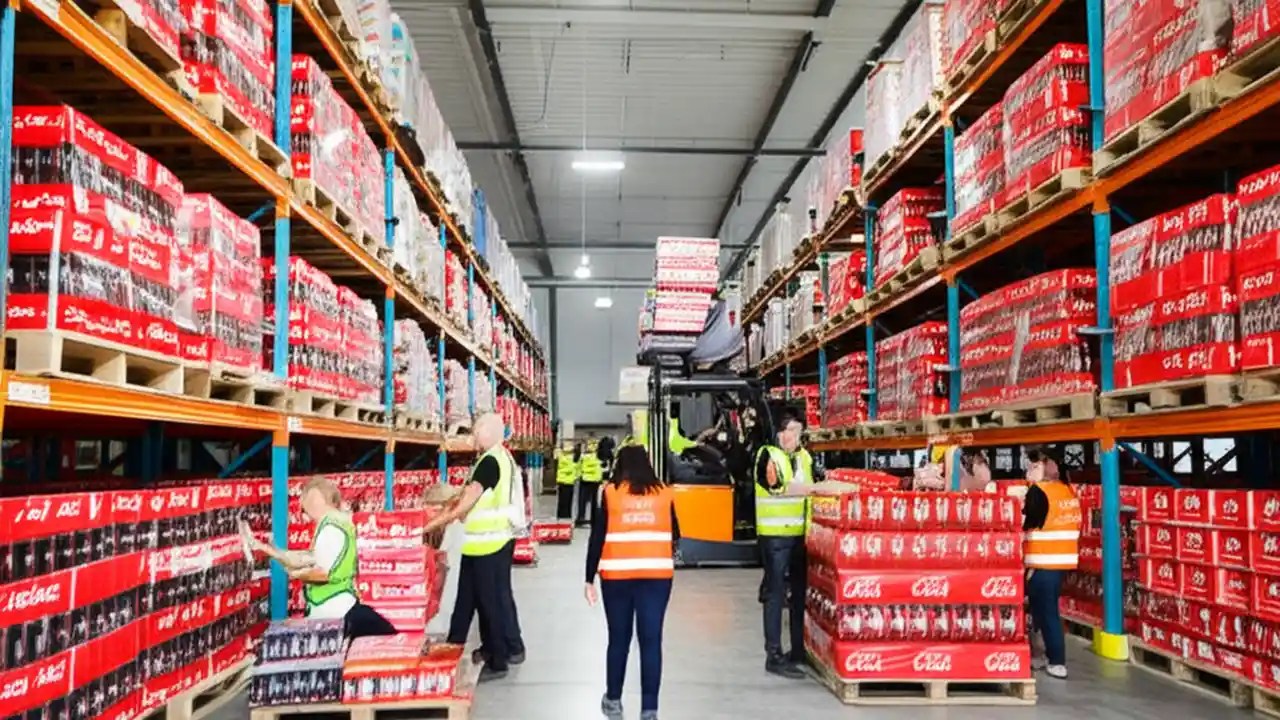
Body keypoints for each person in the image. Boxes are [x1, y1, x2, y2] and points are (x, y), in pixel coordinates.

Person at [423, 413, 525, 682]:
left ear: (490, 431)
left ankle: (498, 660)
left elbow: (469, 500)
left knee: (489, 603)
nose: (474, 434)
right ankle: (456, 645)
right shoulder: (497, 457)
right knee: (467, 598)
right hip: (482, 544)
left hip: (489, 543)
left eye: (478, 429)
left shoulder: (491, 461)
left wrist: (435, 523)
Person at [585, 445, 679, 720]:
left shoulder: (610, 493)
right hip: (656, 578)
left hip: (617, 578)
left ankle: (613, 700)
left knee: (618, 639)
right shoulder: (665, 493)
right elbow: (676, 533)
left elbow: (597, 537)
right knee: (651, 641)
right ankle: (649, 709)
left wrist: (588, 578)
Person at [245, 476, 396, 639]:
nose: (303, 510)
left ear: (315, 499)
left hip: (334, 611)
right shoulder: (336, 523)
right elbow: (308, 558)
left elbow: (323, 573)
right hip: (338, 607)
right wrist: (271, 551)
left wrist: (296, 574)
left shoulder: (330, 528)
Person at [755, 412, 813, 678]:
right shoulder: (767, 455)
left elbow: (813, 485)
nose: (794, 437)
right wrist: (814, 489)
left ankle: (798, 650)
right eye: (790, 430)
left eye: (798, 432)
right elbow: (777, 486)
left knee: (799, 593)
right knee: (775, 594)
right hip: (775, 537)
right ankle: (774, 654)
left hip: (800, 535)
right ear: (779, 432)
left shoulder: (805, 457)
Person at [1022, 446, 1081, 680]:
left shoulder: (1039, 491)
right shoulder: (1067, 491)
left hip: (1042, 561)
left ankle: (1057, 661)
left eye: (1036, 464)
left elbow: (1027, 521)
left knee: (1046, 613)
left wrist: (1029, 487)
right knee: (1040, 611)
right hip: (1061, 561)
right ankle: (1041, 656)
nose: (1031, 468)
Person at [577, 436, 606, 527]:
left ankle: (582, 518)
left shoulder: (584, 456)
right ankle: (591, 519)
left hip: (588, 480)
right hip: (592, 480)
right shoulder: (598, 456)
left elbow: (579, 467)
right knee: (591, 501)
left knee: (584, 501)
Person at [554, 438, 579, 520]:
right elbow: (572, 468)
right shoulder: (569, 457)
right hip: (568, 481)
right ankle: (566, 516)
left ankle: (560, 516)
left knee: (562, 501)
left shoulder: (561, 455)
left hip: (562, 481)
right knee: (567, 502)